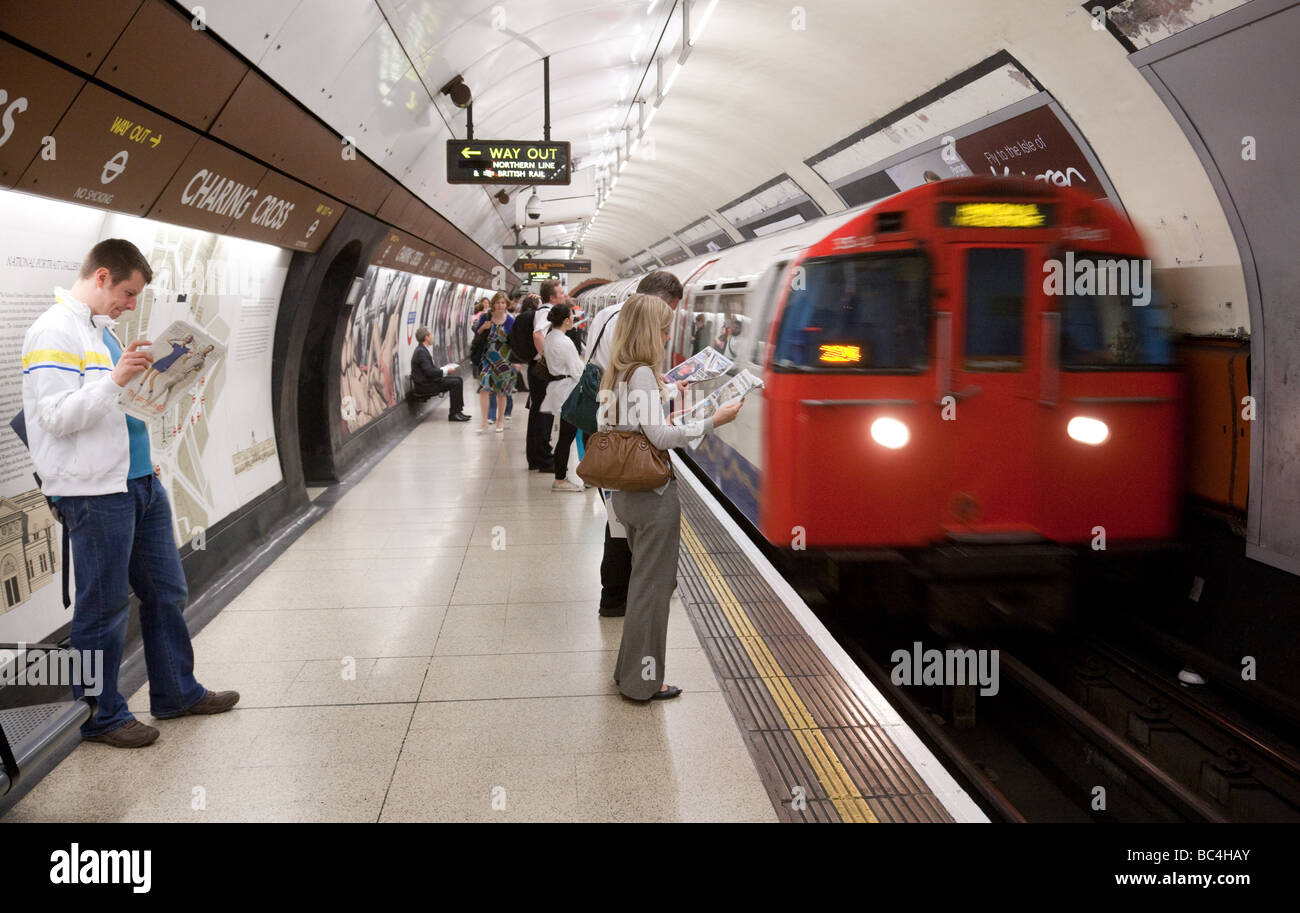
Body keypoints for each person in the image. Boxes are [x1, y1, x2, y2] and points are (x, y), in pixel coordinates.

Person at [20, 239, 239, 749]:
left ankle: (176, 692)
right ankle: (98, 714)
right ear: (100, 276)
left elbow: (118, 404)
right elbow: (55, 417)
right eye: (127, 292)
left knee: (166, 591)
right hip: (94, 492)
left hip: (139, 482)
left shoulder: (104, 333)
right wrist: (116, 379)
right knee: (103, 606)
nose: (131, 304)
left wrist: (156, 383)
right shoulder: (53, 331)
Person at [600, 294, 742, 701]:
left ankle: (627, 671)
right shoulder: (643, 373)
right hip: (652, 495)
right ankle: (643, 682)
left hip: (628, 494)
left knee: (642, 586)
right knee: (652, 590)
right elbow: (658, 438)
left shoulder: (621, 371)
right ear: (648, 331)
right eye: (663, 329)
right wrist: (713, 421)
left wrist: (673, 409)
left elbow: (638, 426)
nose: (667, 336)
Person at [584, 270, 684, 617]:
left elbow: (623, 385)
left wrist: (665, 391)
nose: (667, 331)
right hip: (622, 440)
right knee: (619, 524)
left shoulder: (604, 315)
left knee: (617, 519)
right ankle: (617, 596)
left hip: (608, 428)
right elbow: (634, 384)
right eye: (665, 316)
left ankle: (619, 592)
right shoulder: (628, 329)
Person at [539, 303, 586, 492]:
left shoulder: (550, 337)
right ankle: (560, 480)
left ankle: (564, 477)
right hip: (568, 392)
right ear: (566, 320)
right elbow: (577, 370)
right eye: (572, 316)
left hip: (559, 389)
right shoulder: (564, 342)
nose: (574, 319)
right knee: (567, 437)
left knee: (566, 436)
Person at [474, 291, 515, 433]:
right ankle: (484, 420)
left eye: (503, 303)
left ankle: (500, 421)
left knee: (501, 391)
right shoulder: (486, 318)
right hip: (487, 357)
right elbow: (476, 335)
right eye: (497, 302)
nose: (500, 305)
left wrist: (516, 361)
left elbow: (514, 342)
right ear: (493, 304)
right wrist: (482, 328)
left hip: (504, 359)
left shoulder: (510, 321)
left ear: (506, 304)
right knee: (484, 388)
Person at [411, 326, 469, 421]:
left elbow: (429, 370)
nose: (432, 337)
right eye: (431, 335)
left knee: (458, 380)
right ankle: (454, 414)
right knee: (456, 383)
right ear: (426, 337)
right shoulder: (421, 352)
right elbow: (430, 372)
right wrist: (446, 370)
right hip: (425, 385)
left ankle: (458, 411)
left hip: (428, 382)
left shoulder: (422, 350)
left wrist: (445, 369)